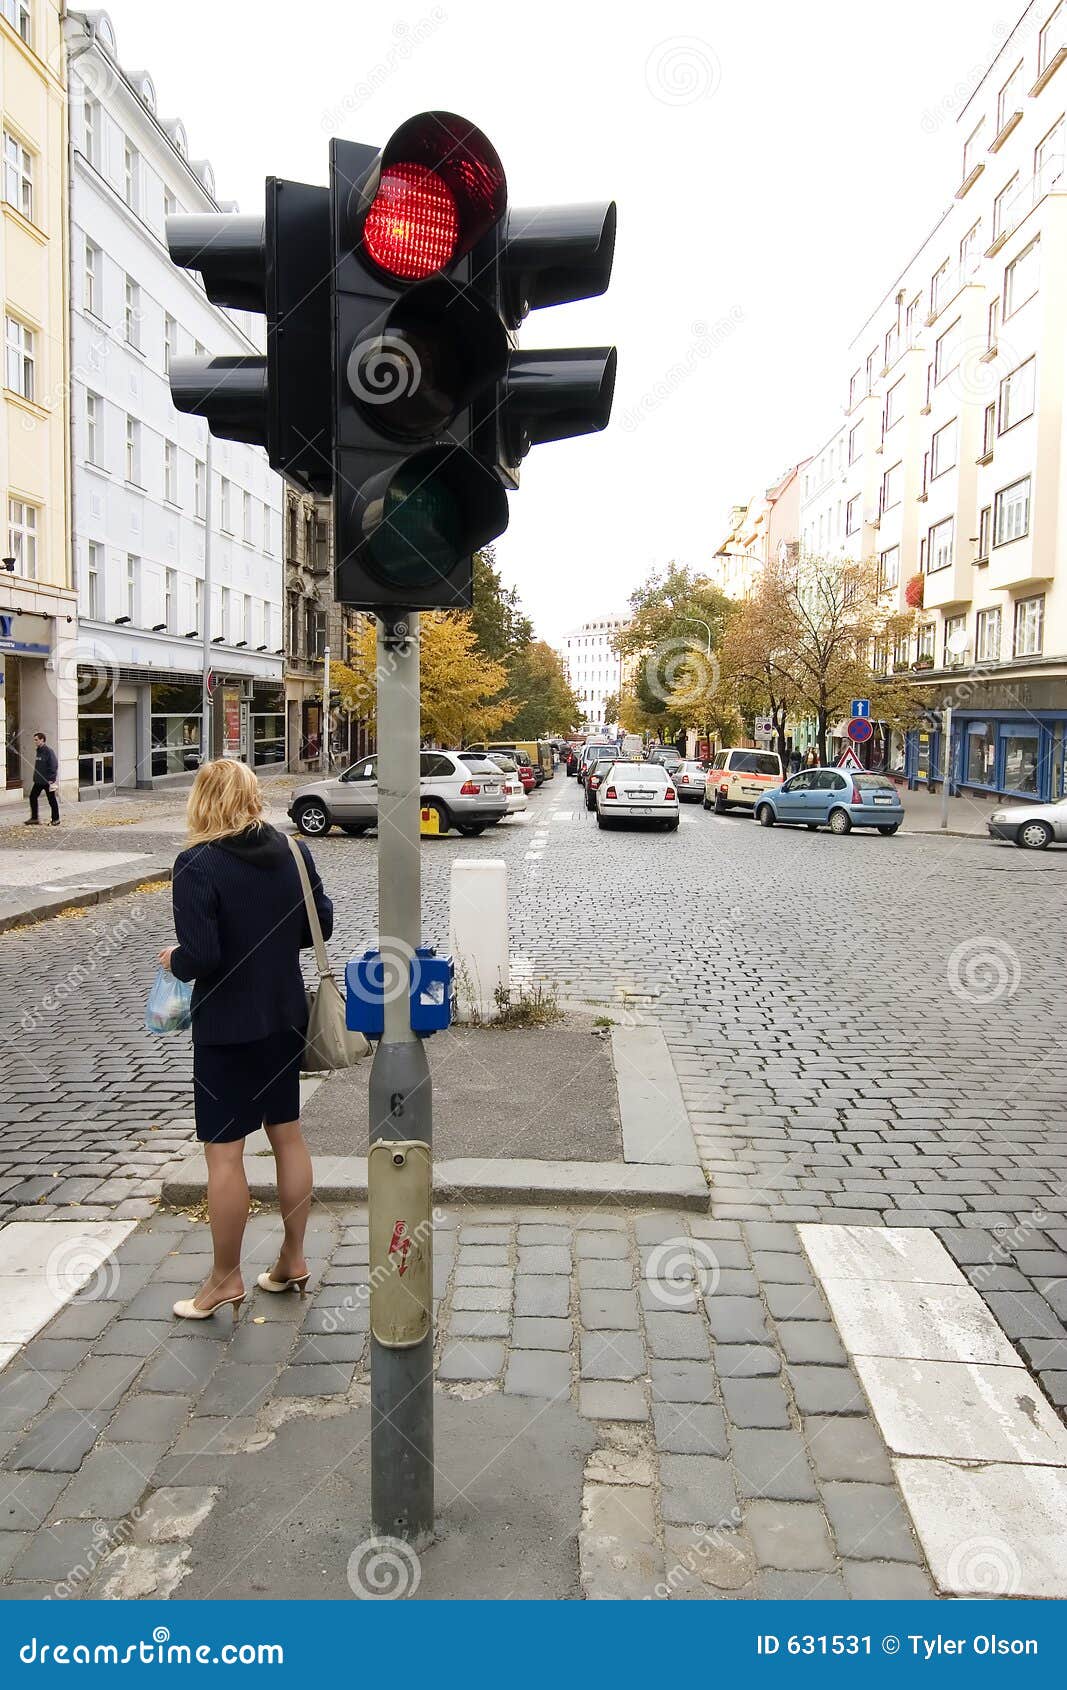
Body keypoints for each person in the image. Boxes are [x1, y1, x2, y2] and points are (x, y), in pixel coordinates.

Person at [157, 759, 333, 1321]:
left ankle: (224, 1279)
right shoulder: (293, 851)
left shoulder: (196, 864)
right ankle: (293, 1258)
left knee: (225, 1155)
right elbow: (319, 927)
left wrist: (173, 959)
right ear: (253, 797)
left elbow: (202, 957)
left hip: (227, 1029)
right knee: (288, 1136)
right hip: (284, 1016)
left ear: (203, 801)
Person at [25, 732, 60, 827]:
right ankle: (34, 818)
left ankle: (56, 819)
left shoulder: (48, 751)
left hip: (47, 781)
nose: (35, 742)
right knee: (32, 797)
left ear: (42, 740)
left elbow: (54, 765)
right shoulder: (38, 751)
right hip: (39, 781)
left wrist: (51, 779)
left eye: (36, 740)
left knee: (51, 800)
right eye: (34, 740)